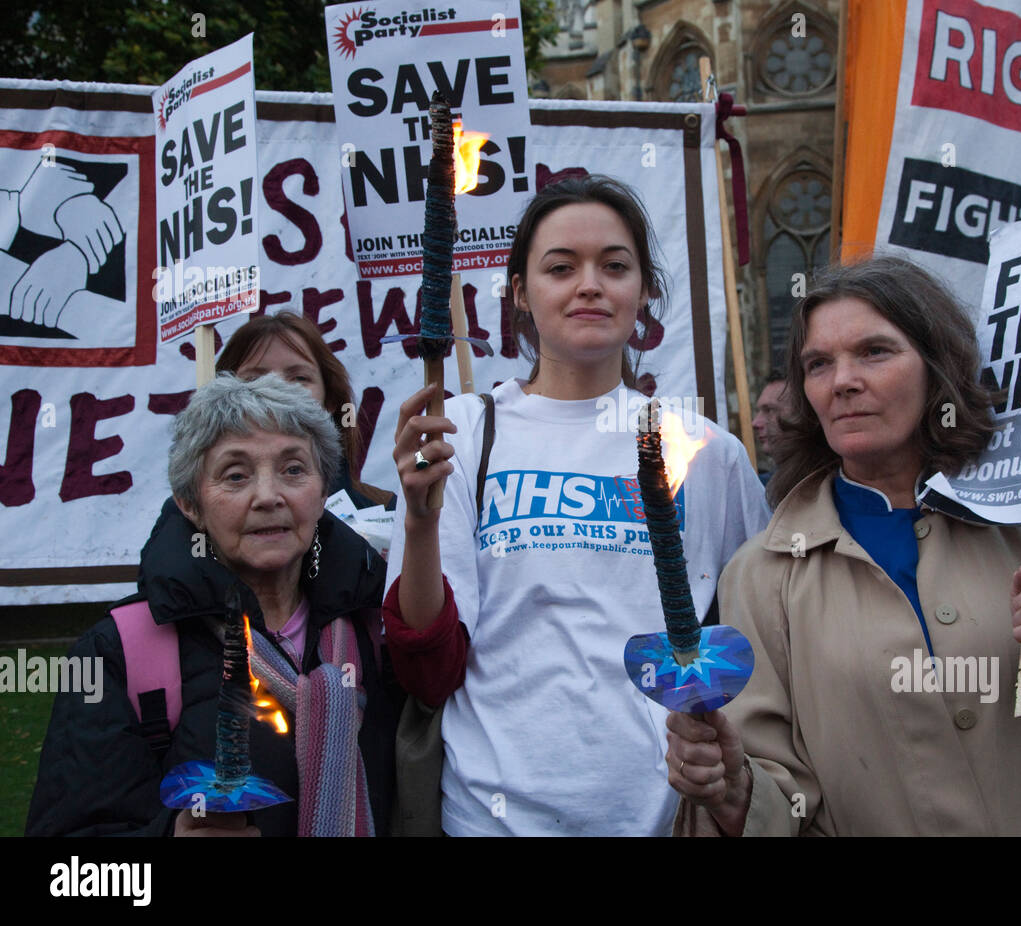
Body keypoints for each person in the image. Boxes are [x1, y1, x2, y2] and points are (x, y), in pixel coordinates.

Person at [665, 256, 1021, 836]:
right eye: (818, 364)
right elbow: (775, 795)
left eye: (874, 352)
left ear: (937, 369)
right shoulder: (762, 572)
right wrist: (732, 787)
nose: (843, 381)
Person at [385, 174, 770, 835]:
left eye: (615, 266)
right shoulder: (463, 433)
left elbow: (756, 640)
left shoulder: (706, 451)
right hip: (489, 817)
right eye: (560, 268)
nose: (589, 285)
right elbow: (428, 664)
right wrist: (420, 520)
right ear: (519, 294)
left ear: (645, 290)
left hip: (656, 816)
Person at [26, 374, 460, 836]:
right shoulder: (120, 653)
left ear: (322, 492)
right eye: (236, 475)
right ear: (190, 503)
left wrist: (419, 505)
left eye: (294, 470)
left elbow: (437, 682)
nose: (268, 496)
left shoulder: (372, 626)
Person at [217, 310, 394, 510]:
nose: (278, 391)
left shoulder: (385, 510)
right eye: (255, 380)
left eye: (299, 379)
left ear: (330, 402)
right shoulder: (189, 516)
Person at [751, 371, 791, 485]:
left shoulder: (836, 488)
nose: (755, 423)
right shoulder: (760, 489)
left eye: (769, 410)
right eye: (759, 411)